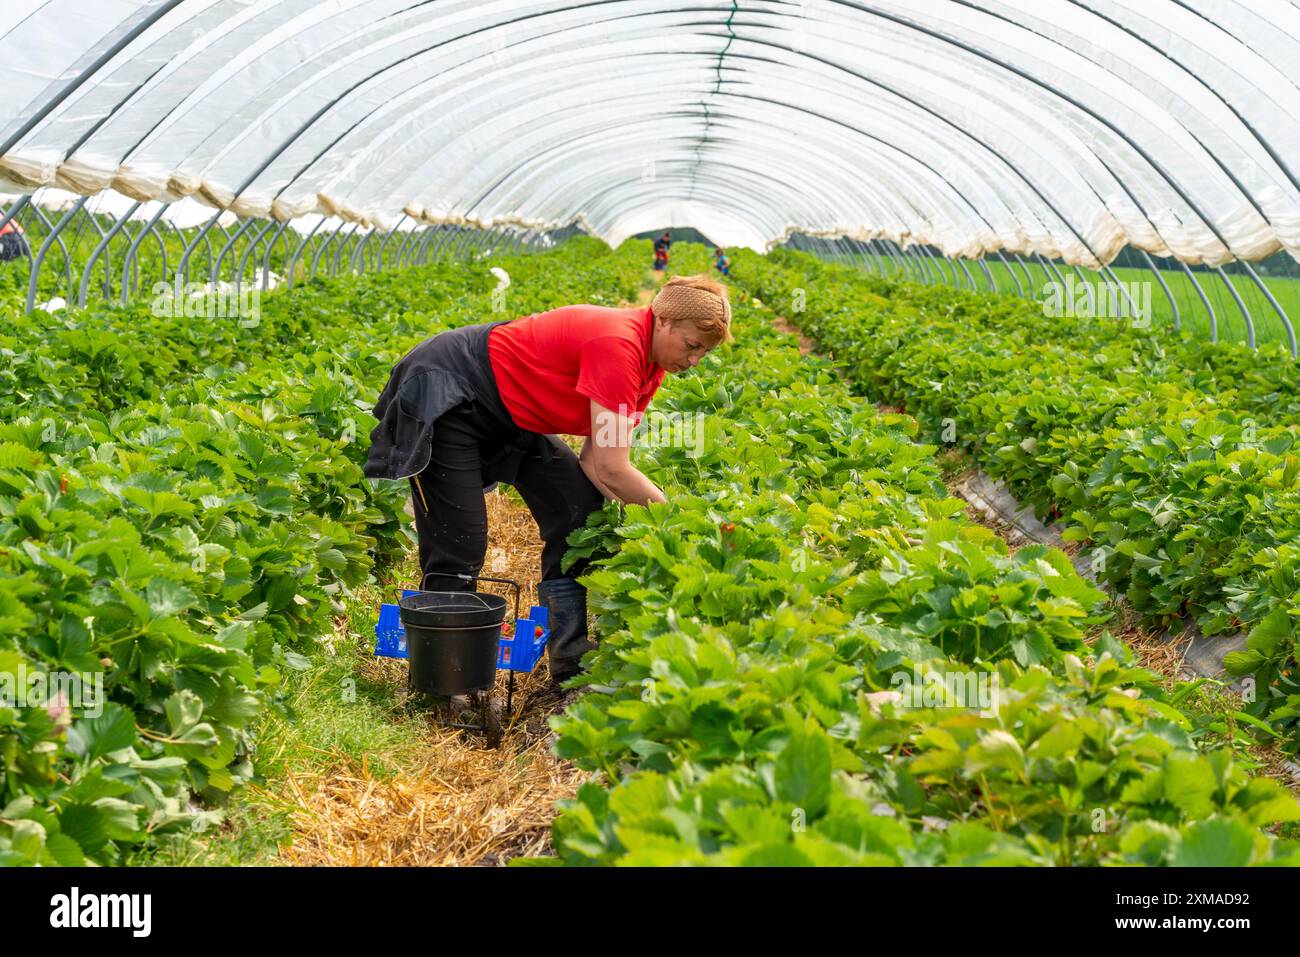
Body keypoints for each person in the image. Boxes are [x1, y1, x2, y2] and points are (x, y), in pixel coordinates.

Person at [364, 274, 733, 685]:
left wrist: (641, 520)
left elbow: (597, 462)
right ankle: (447, 682)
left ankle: (570, 655)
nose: (695, 359)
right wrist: (671, 521)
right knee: (460, 542)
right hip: (454, 389)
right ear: (662, 321)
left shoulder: (651, 368)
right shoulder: (618, 345)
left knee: (578, 509)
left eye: (705, 352)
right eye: (693, 346)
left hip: (514, 413)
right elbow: (613, 467)